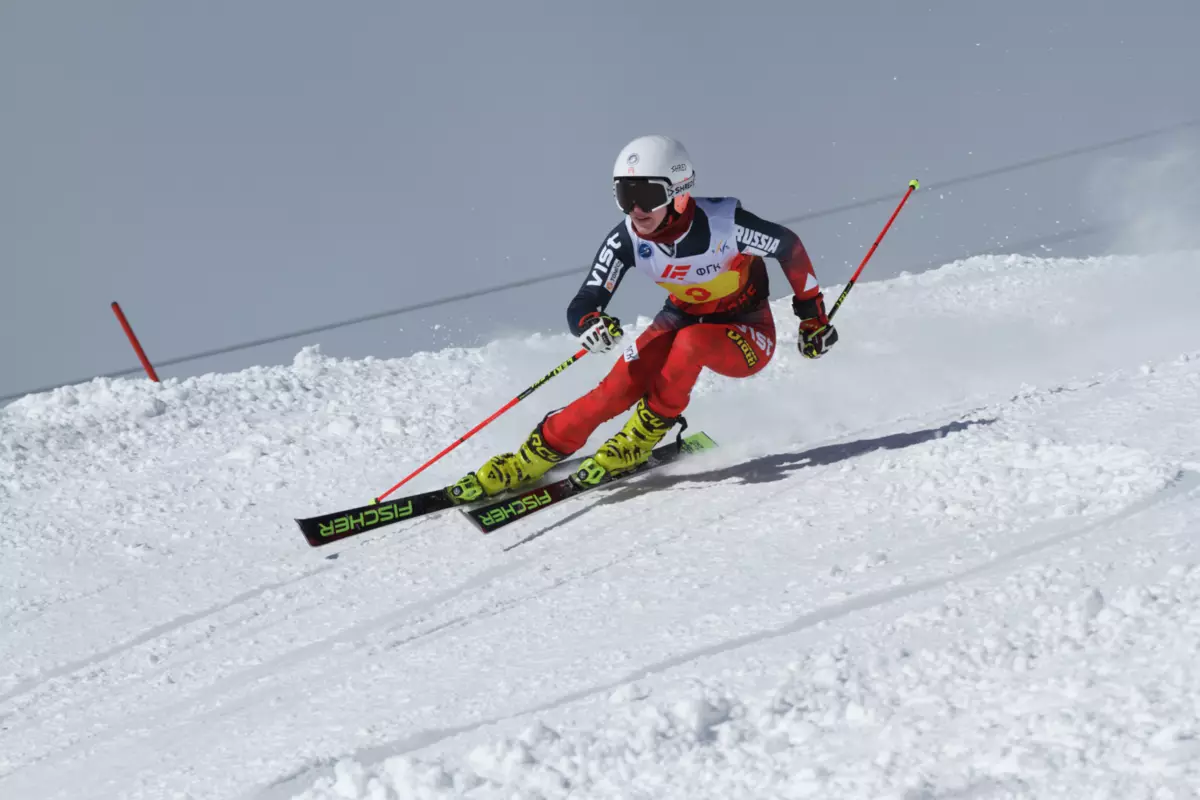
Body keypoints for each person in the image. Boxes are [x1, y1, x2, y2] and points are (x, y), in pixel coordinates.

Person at [449, 134, 837, 503]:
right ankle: (528, 460)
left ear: (679, 194)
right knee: (614, 390)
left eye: (647, 195)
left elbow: (789, 247)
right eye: (625, 195)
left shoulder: (726, 226)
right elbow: (587, 298)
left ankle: (640, 437)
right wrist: (589, 324)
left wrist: (811, 318)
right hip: (680, 316)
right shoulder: (627, 239)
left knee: (691, 344)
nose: (636, 209)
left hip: (747, 331)